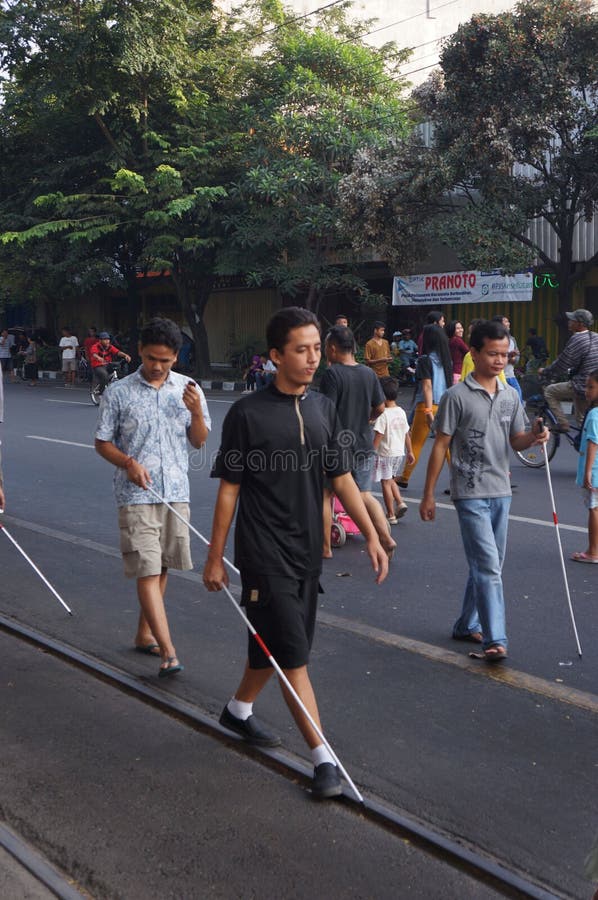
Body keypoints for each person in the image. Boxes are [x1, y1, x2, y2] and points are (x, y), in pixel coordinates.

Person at [203, 307, 388, 800]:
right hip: (264, 553)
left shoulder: (323, 407)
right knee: (293, 655)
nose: (312, 359)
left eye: (316, 348)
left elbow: (341, 478)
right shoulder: (247, 414)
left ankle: (238, 711)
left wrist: (372, 534)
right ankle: (323, 759)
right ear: (275, 356)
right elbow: (229, 490)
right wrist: (215, 557)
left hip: (308, 551)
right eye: (301, 350)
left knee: (277, 645)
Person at [419, 320, 548, 662]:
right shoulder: (456, 397)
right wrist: (429, 494)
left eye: (504, 354)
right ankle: (495, 639)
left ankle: (466, 624)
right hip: (469, 491)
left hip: (501, 490)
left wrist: (535, 436)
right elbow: (440, 445)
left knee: (488, 564)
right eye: (493, 354)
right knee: (488, 565)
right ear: (474, 353)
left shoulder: (510, 395)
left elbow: (516, 439)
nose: (500, 360)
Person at [95, 318, 211, 677]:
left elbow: (199, 440)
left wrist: (195, 411)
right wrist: (128, 463)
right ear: (140, 352)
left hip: (175, 491)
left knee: (162, 567)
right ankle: (169, 652)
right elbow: (102, 442)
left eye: (164, 360)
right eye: (150, 358)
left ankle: (145, 633)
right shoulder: (119, 392)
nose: (157, 366)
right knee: (146, 568)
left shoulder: (189, 389)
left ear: (176, 356)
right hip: (135, 494)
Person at [319, 325, 397, 559]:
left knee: (325, 494)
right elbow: (380, 407)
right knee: (364, 494)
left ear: (333, 348)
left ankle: (325, 548)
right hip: (363, 443)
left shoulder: (332, 375)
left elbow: (326, 413)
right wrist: (367, 419)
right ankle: (386, 537)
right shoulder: (368, 373)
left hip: (337, 446)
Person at [397, 324, 453, 489]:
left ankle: (405, 477)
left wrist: (428, 410)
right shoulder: (447, 360)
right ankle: (458, 479)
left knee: (416, 443)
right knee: (446, 445)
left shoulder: (424, 360)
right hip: (445, 405)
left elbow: (427, 386)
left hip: (427, 406)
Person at [539, 309, 598, 431]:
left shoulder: (577, 339)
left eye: (573, 320)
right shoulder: (595, 336)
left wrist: (545, 371)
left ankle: (563, 424)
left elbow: (562, 363)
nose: (569, 322)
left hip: (583, 385)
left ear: (580, 324)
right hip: (595, 384)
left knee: (549, 391)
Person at [372, 377, 414, 523]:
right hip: (398, 453)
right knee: (390, 479)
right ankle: (400, 502)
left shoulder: (383, 414)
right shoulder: (401, 411)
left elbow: (379, 435)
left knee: (385, 482)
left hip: (385, 454)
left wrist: (371, 453)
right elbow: (406, 433)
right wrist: (410, 451)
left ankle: (390, 514)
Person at [571, 370, 598, 564]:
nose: (586, 391)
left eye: (591, 387)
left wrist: (588, 472)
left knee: (594, 508)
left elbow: (593, 443)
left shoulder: (594, 415)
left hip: (596, 471)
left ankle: (593, 551)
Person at [492, 315, 522, 400]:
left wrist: (513, 359)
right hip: (497, 377)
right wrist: (509, 356)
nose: (508, 323)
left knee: (518, 397)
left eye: (508, 321)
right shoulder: (493, 340)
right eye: (505, 321)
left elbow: (517, 357)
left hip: (510, 375)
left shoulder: (512, 339)